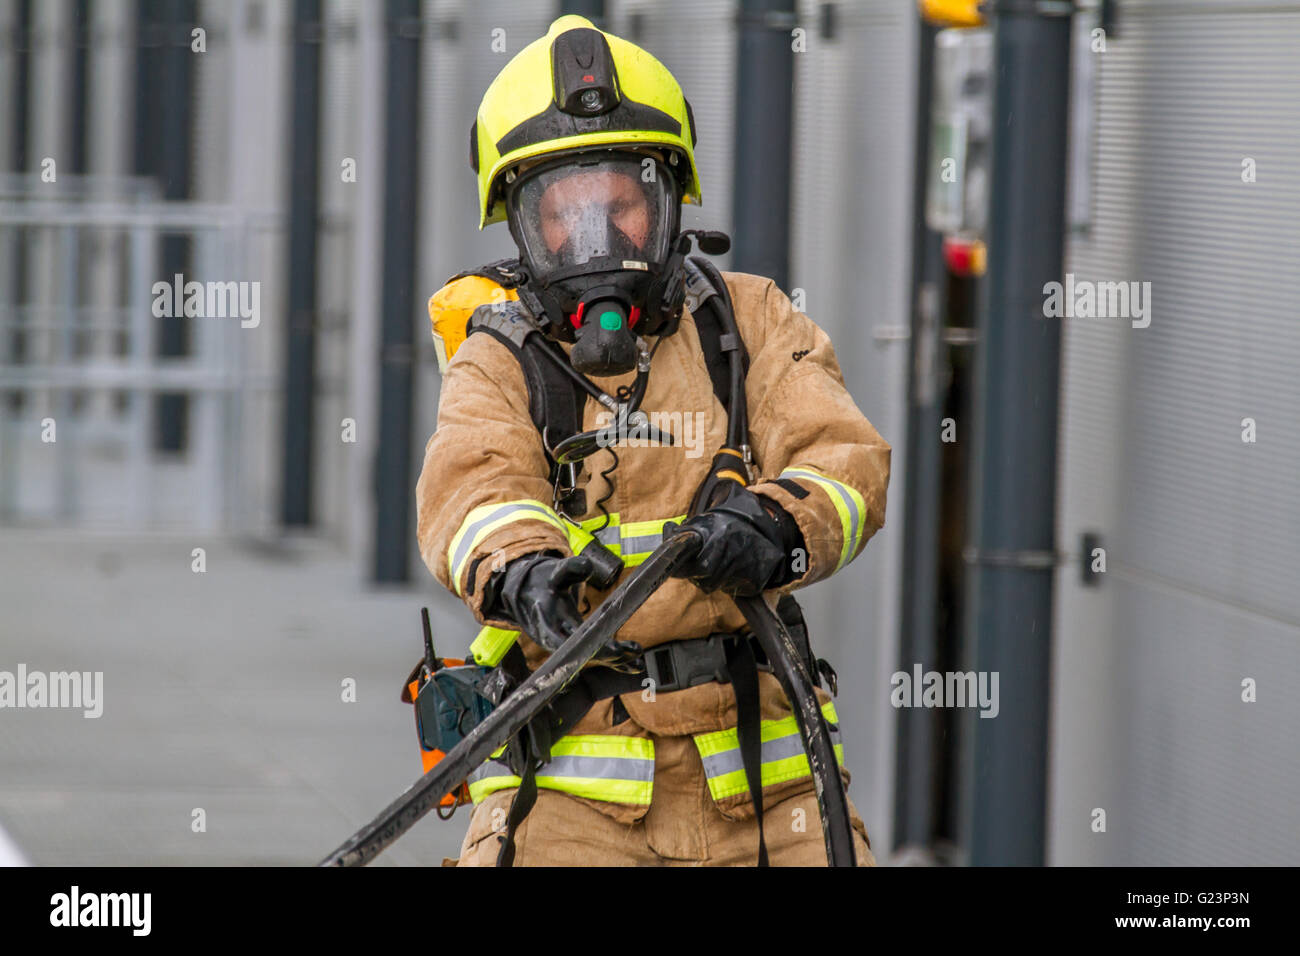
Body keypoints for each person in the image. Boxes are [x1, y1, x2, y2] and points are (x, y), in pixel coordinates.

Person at [416, 14, 891, 866]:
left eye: (621, 202)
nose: (596, 239)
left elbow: (847, 461)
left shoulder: (747, 324)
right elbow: (472, 492)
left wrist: (775, 527)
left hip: (765, 779)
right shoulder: (498, 359)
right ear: (523, 228)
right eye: (564, 211)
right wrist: (523, 572)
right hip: (569, 788)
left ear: (669, 203)